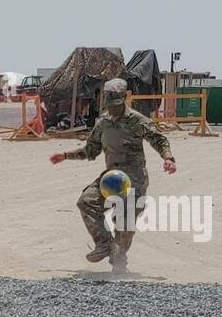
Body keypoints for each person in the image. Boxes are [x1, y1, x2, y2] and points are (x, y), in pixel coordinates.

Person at [49, 77, 178, 270]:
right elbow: (91, 150)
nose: (114, 109)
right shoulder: (103, 123)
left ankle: (119, 261)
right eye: (110, 105)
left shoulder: (137, 120)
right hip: (112, 176)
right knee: (87, 201)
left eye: (117, 105)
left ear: (125, 98)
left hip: (134, 177)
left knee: (124, 219)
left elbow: (159, 139)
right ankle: (104, 244)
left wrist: (168, 158)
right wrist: (66, 156)